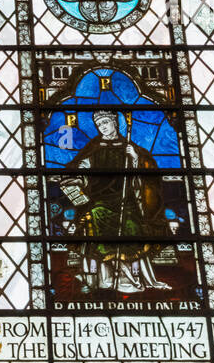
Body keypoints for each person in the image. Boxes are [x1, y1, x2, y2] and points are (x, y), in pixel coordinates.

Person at [58, 108, 173, 296]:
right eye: (99, 124)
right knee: (94, 213)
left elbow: (148, 174)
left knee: (132, 224)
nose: (102, 127)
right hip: (100, 200)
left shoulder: (129, 147)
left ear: (115, 123)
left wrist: (135, 159)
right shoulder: (95, 147)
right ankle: (103, 278)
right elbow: (83, 169)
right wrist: (78, 179)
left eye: (106, 123)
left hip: (126, 200)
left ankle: (130, 277)